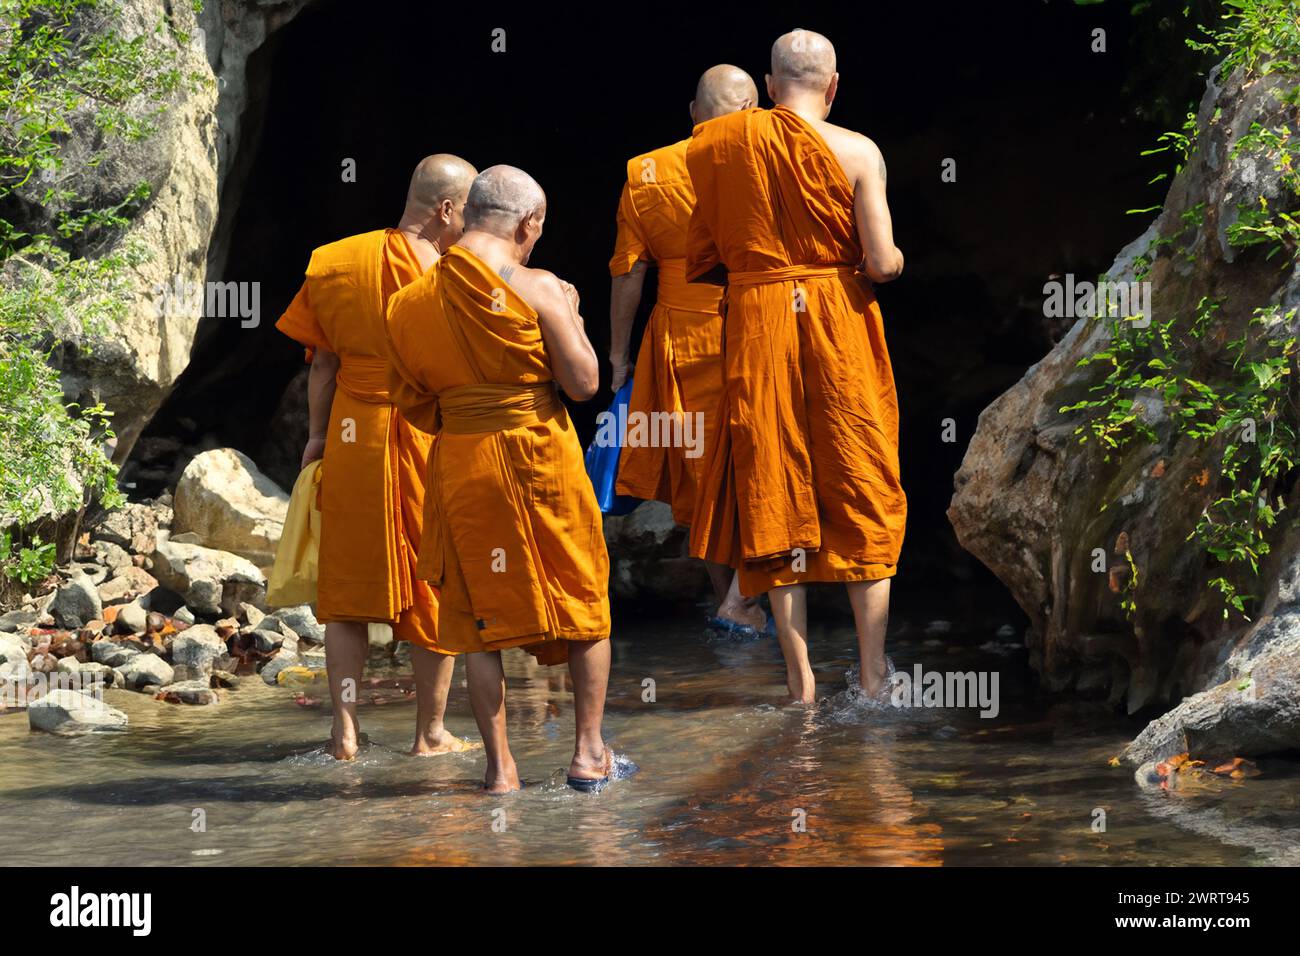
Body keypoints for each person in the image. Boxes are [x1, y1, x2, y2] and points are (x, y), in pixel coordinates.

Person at [685, 29, 907, 704]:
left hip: (758, 321)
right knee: (862, 481)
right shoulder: (858, 150)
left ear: (771, 86)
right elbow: (882, 261)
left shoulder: (721, 144)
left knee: (772, 486)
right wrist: (882, 265)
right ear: (834, 86)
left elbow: (707, 247)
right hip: (837, 323)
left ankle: (800, 683)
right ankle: (871, 679)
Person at [387, 165, 615, 793]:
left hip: (461, 461)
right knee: (583, 601)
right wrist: (571, 310)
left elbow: (412, 398)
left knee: (474, 617)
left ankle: (499, 769)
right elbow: (584, 383)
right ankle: (588, 754)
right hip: (540, 455)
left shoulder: (408, 301)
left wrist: (469, 407)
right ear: (529, 222)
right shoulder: (537, 286)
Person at [276, 154, 478, 759]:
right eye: (469, 210)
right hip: (427, 432)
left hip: (351, 432)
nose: (473, 226)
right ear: (446, 210)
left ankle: (343, 733)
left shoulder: (335, 261)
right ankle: (430, 734)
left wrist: (316, 437)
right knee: (435, 583)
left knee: (346, 592)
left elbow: (325, 366)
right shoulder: (456, 276)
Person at [608, 64, 768, 637]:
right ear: (753, 110)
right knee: (759, 457)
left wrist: (619, 356)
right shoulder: (769, 158)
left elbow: (628, 272)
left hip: (679, 332)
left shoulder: (647, 172)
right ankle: (749, 595)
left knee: (700, 473)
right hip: (760, 321)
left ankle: (730, 597)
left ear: (694, 113)